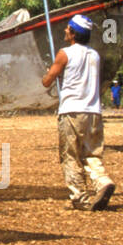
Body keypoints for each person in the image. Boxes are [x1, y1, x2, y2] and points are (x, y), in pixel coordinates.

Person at [41, 13, 115, 211]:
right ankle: (102, 181)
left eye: (67, 28)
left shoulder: (64, 54)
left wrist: (48, 74)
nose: (65, 31)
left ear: (73, 33)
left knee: (70, 155)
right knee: (91, 153)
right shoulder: (94, 55)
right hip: (93, 112)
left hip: (72, 111)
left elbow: (48, 80)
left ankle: (79, 198)